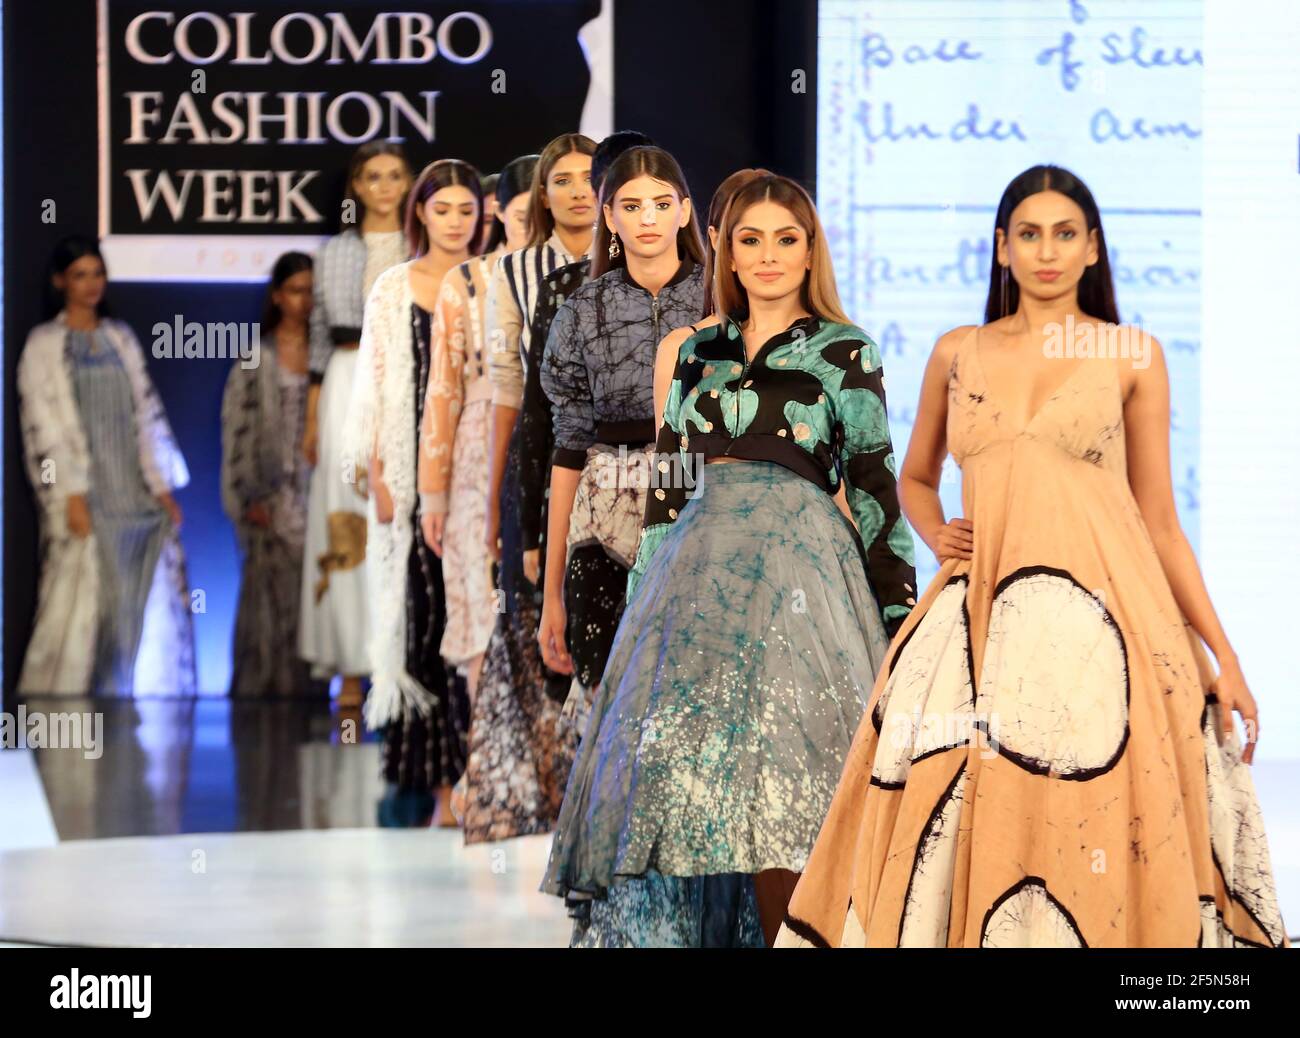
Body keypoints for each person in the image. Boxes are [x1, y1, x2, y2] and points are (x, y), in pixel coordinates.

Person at [776, 165, 1288, 949]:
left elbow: (1160, 521)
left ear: (1091, 250)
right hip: (978, 616)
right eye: (1029, 233)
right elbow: (913, 478)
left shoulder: (1132, 355)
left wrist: (1225, 655)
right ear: (1002, 248)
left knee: (1108, 820)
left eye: (1065, 233)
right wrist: (937, 527)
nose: (1046, 250)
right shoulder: (957, 351)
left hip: (1115, 630)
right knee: (955, 804)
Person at [540, 173, 917, 947]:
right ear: (726, 251)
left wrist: (900, 627)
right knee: (689, 796)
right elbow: (667, 494)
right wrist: (637, 628)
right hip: (694, 591)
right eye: (751, 240)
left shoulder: (846, 353)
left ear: (810, 251)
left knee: (795, 795)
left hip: (804, 590)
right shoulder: (693, 352)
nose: (770, 255)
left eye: (787, 239)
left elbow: (877, 495)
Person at [536, 144, 707, 736]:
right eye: (631, 206)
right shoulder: (581, 310)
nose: (648, 218)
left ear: (686, 212)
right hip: (601, 509)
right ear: (609, 217)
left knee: (688, 695)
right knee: (604, 702)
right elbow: (567, 444)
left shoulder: (723, 302)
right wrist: (551, 590)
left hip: (697, 501)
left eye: (662, 203)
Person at [462, 135, 597, 842]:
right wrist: (498, 508)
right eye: (563, 180)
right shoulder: (512, 272)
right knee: (539, 625)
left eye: (589, 178)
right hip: (542, 457)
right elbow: (508, 396)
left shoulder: (644, 260)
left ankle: (600, 801)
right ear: (540, 194)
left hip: (627, 463)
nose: (578, 191)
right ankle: (550, 803)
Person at [346, 159, 483, 827]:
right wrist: (378, 475)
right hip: (408, 474)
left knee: (469, 624)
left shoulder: (493, 282)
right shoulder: (394, 288)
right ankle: (424, 778)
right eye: (443, 209)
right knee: (419, 614)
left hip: (477, 471)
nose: (456, 221)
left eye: (466, 209)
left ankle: (470, 777)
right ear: (420, 214)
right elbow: (372, 390)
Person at [17, 236, 195, 697]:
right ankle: (65, 709)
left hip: (132, 493)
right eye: (80, 275)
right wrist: (68, 493)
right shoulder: (43, 346)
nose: (92, 284)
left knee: (144, 596)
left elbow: (145, 412)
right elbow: (43, 425)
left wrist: (160, 487)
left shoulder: (121, 337)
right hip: (88, 497)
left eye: (98, 273)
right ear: (60, 282)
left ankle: (140, 705)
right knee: (83, 601)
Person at [300, 141, 413, 709]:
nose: (385, 185)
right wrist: (311, 418)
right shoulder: (333, 255)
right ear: (356, 186)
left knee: (397, 513)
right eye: (373, 176)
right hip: (346, 381)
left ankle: (396, 658)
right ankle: (348, 665)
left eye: (395, 175)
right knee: (344, 516)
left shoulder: (422, 245)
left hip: (407, 381)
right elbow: (320, 337)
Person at [221, 251, 314, 696]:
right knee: (267, 596)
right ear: (277, 296)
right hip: (272, 493)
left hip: (317, 491)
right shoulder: (257, 356)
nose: (305, 300)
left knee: (313, 593)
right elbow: (237, 430)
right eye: (295, 290)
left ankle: (308, 692)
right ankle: (261, 693)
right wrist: (248, 495)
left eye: (312, 290)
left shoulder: (327, 352)